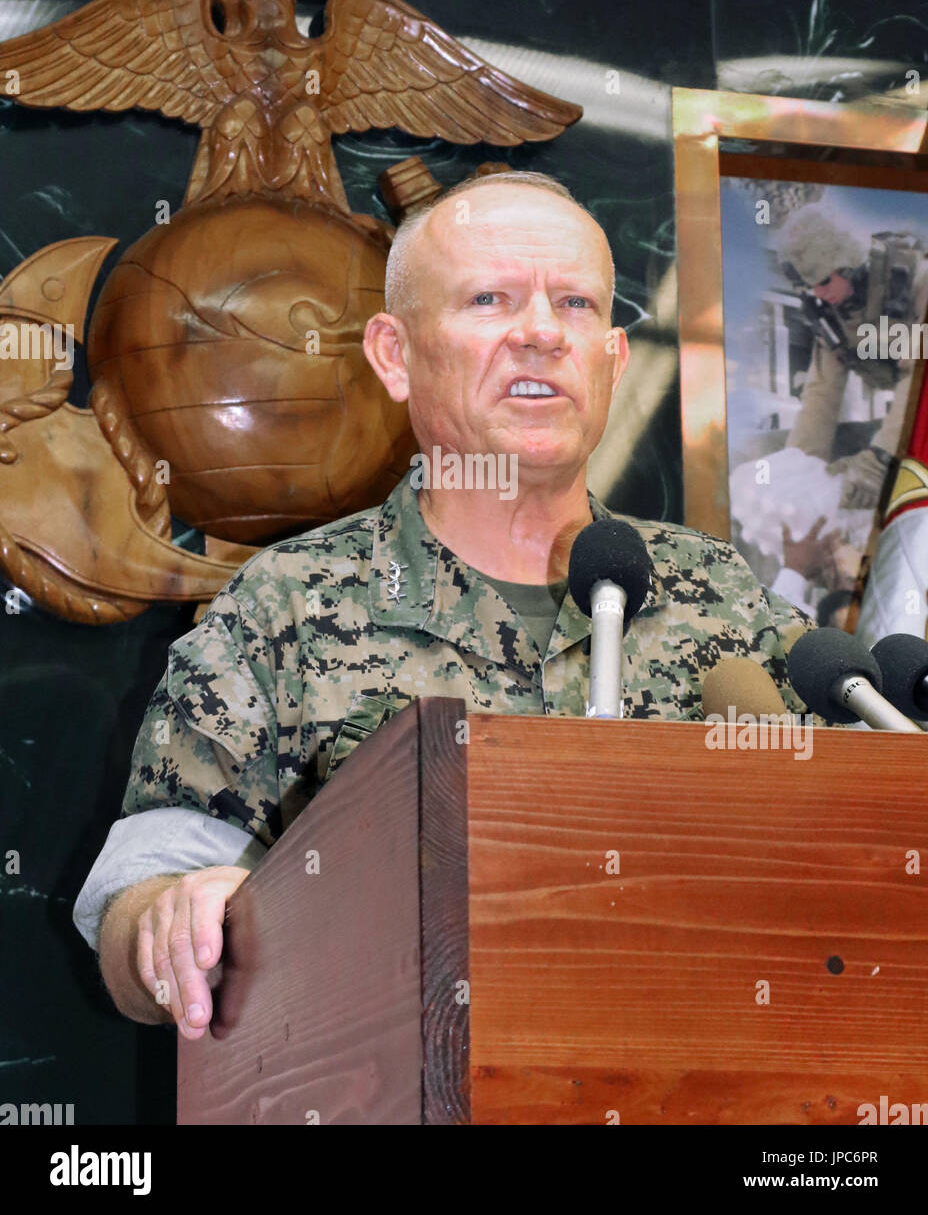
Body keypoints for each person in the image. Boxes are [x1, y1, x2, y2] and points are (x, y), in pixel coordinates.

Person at [74, 171, 814, 1040]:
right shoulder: (289, 608)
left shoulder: (718, 595)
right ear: (394, 354)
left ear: (613, 361)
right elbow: (140, 906)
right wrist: (172, 917)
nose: (540, 334)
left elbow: (851, 836)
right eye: (490, 299)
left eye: (575, 305)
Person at [777, 205, 928, 510]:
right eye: (810, 287)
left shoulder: (918, 284)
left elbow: (918, 381)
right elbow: (821, 395)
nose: (818, 294)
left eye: (823, 281)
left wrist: (879, 461)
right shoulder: (833, 316)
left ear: (847, 264)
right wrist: (797, 467)